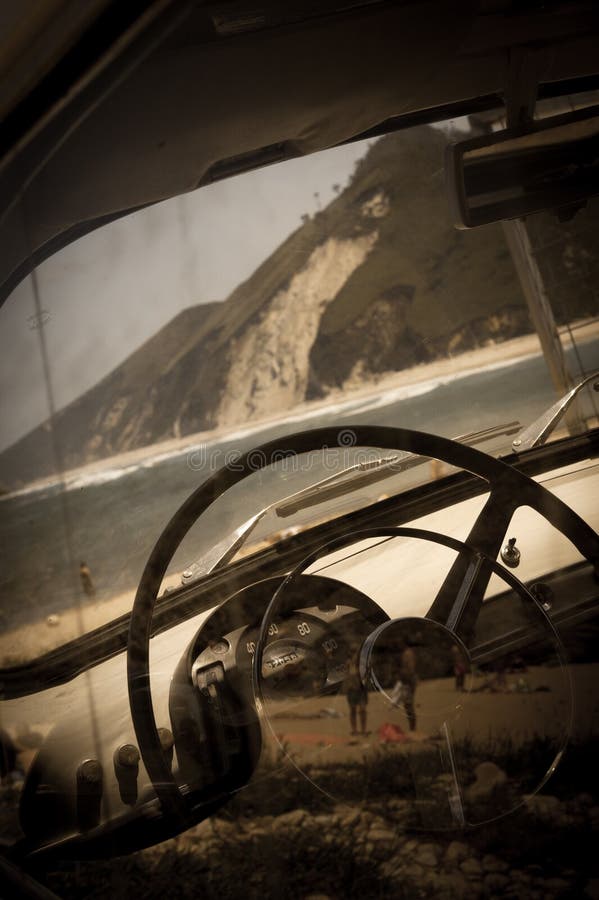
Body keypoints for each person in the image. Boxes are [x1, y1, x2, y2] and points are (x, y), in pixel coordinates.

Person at [344, 648, 368, 736]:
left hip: (361, 689)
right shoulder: (348, 664)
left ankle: (363, 730)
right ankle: (355, 730)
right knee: (353, 710)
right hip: (352, 690)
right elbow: (347, 676)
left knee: (362, 710)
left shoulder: (362, 664)